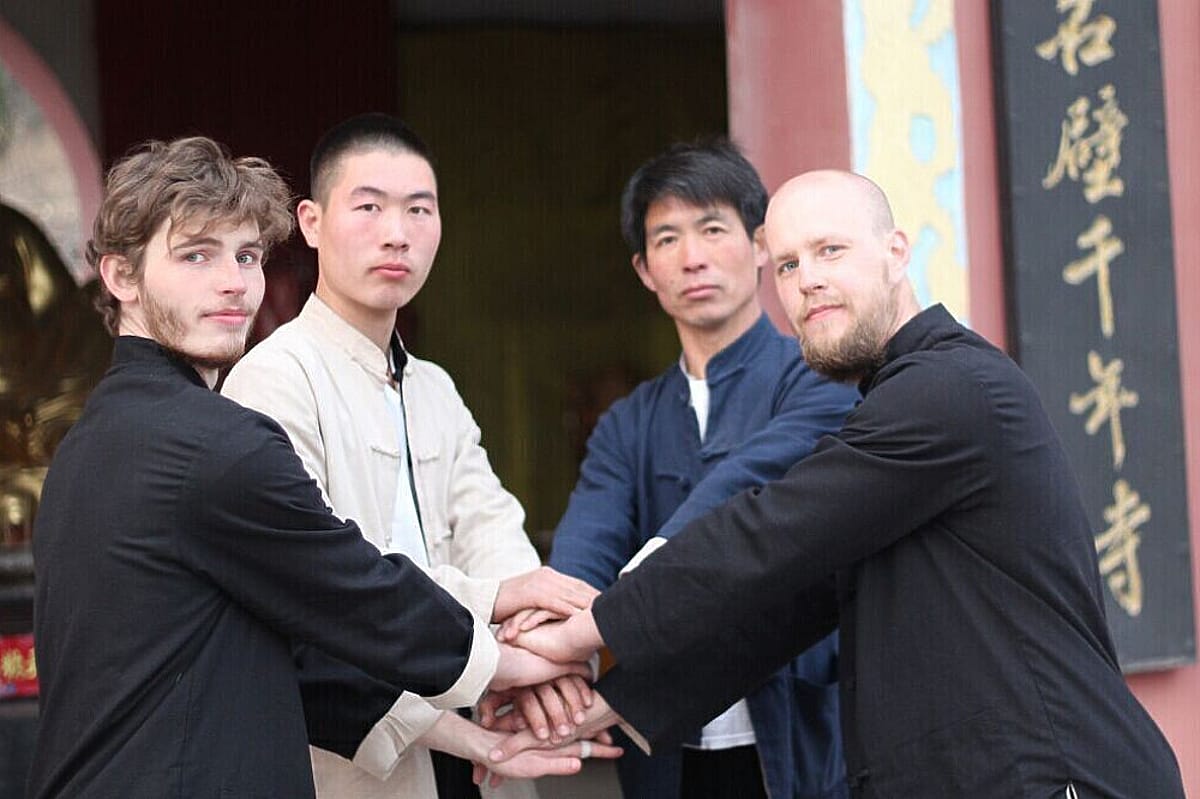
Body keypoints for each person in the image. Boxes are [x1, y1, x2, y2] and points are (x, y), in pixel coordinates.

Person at [494, 170, 1186, 798]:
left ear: (896, 251)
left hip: (1053, 777)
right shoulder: (891, 401)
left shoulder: (949, 389)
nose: (807, 281)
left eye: (831, 251)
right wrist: (603, 702)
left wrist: (587, 629)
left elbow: (770, 531)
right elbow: (795, 604)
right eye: (790, 264)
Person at [28, 136, 597, 799]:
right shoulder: (214, 441)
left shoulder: (90, 440)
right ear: (121, 277)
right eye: (196, 255)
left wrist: (473, 731)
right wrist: (512, 658)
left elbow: (297, 644)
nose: (233, 282)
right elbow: (354, 592)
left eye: (247, 255)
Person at [223, 114, 604, 799]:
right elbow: (323, 587)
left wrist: (541, 650)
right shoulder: (272, 379)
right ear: (311, 222)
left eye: (419, 210)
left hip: (485, 730)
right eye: (369, 207)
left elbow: (491, 526)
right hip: (363, 752)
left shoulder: (433, 388)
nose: (396, 233)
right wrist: (501, 638)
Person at [540, 141, 856, 799]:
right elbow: (585, 548)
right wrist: (549, 634)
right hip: (665, 754)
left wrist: (642, 576)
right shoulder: (627, 424)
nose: (693, 257)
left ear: (760, 244)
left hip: (795, 742)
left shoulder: (820, 381)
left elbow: (747, 494)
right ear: (644, 269)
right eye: (667, 239)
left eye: (713, 229)